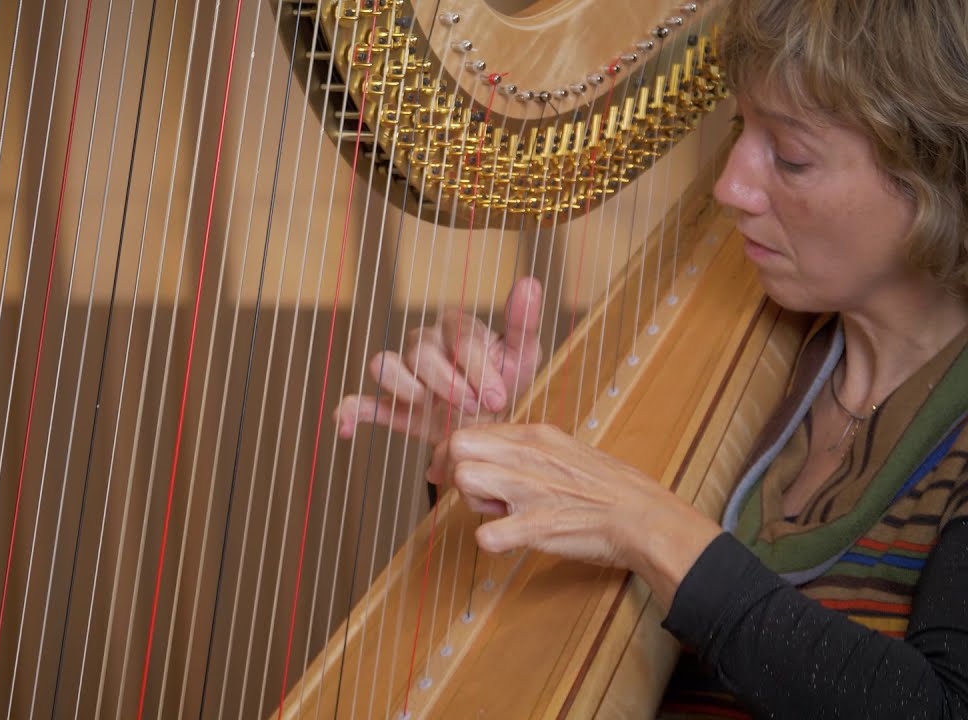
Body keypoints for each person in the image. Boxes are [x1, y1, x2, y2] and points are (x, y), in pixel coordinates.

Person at [334, 0, 968, 716]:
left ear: (940, 174)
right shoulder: (752, 341)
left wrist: (647, 525)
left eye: (791, 157)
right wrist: (503, 457)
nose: (729, 187)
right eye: (740, 127)